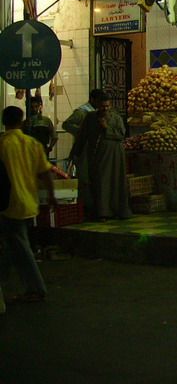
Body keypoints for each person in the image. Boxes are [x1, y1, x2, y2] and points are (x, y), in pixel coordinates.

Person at [0, 105, 55, 307]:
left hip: (9, 203)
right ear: (22, 121)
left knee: (19, 247)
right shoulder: (32, 143)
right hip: (29, 201)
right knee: (12, 245)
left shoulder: (2, 144)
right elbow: (45, 173)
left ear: (4, 122)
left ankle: (36, 288)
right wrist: (51, 196)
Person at [70, 93, 131, 220]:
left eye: (107, 106)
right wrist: (75, 153)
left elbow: (121, 135)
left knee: (114, 181)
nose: (105, 109)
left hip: (114, 154)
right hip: (97, 155)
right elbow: (82, 136)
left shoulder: (116, 118)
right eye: (102, 106)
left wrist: (106, 128)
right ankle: (101, 211)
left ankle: (115, 210)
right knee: (99, 181)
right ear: (97, 105)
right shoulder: (90, 118)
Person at [63, 88, 105, 216]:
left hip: (97, 150)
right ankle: (85, 206)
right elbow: (66, 124)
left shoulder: (100, 112)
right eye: (98, 101)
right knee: (84, 178)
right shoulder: (82, 112)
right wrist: (82, 131)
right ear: (92, 100)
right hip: (84, 150)